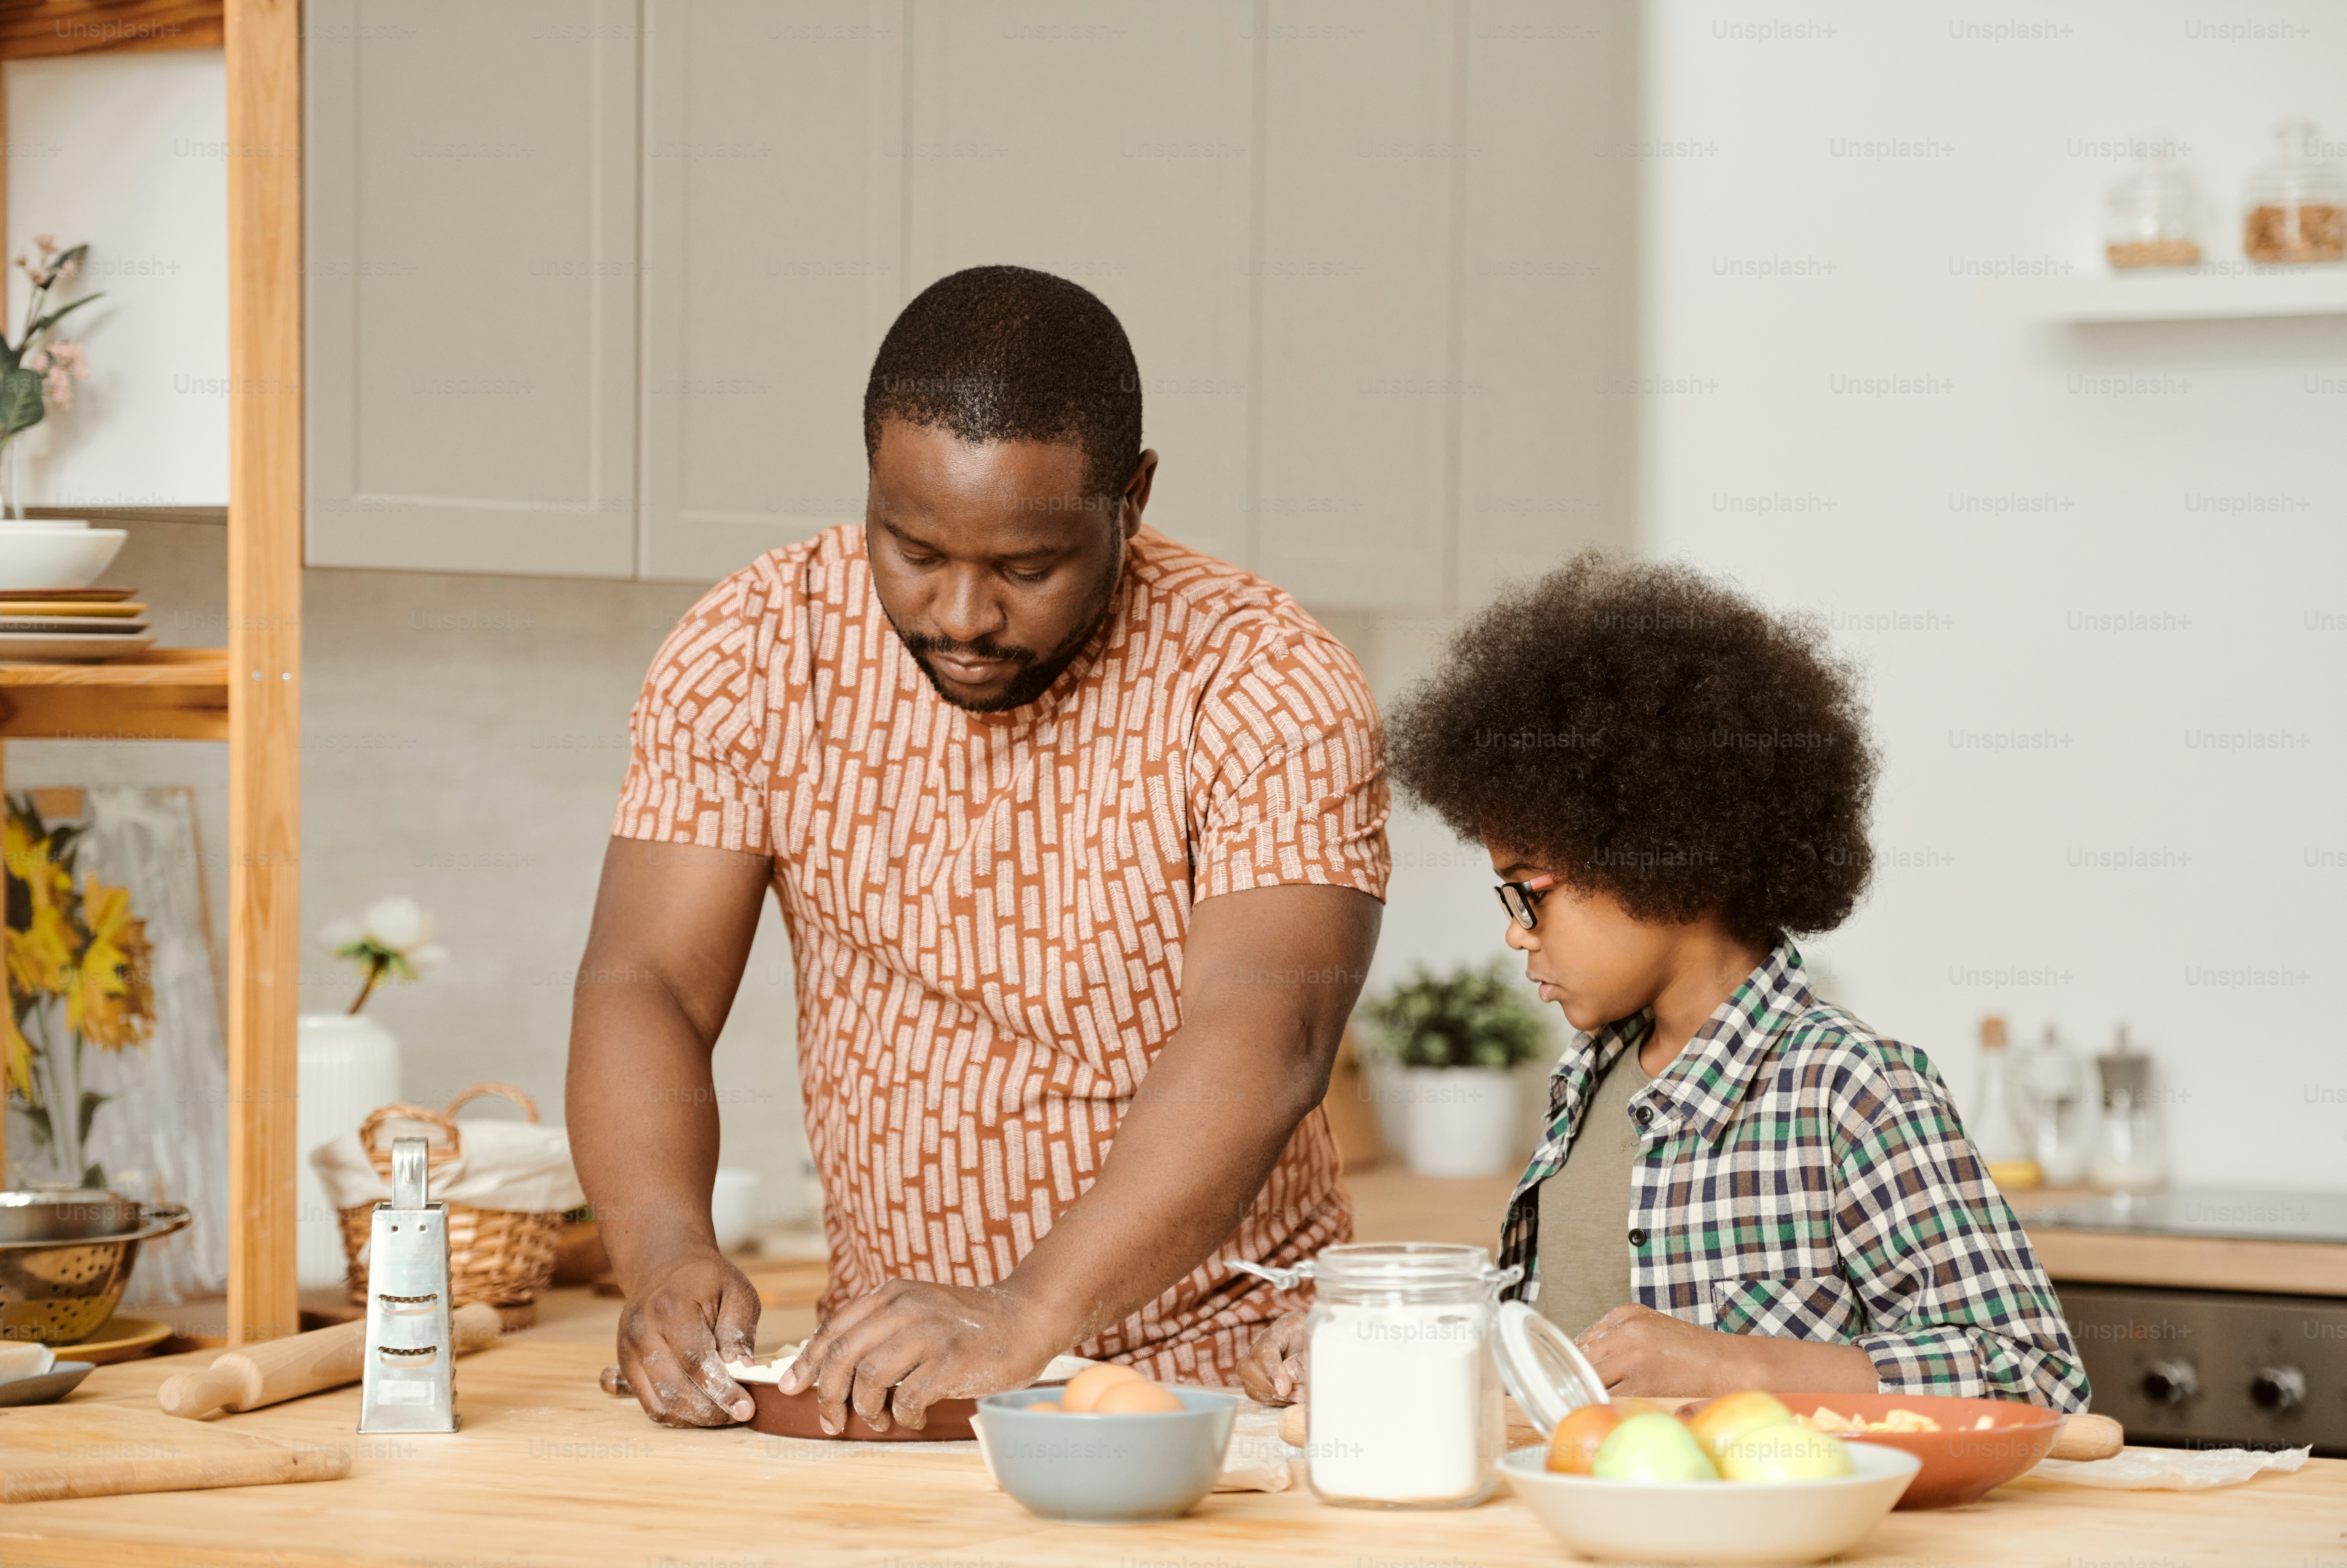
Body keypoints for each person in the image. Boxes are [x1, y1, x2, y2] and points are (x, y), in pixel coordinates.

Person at [568, 266, 1388, 1435]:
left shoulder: (1267, 682)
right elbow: (645, 979)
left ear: (1134, 496)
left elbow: (1271, 1031)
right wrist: (662, 1252)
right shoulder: (753, 647)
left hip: (1228, 1379)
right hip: (891, 1378)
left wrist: (1026, 1309)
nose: (961, 614)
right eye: (911, 547)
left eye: (1025, 567)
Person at [1243, 552, 2088, 1412]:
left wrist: (1739, 1369)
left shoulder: (1852, 1090)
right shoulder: (1590, 1080)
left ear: (1666, 857)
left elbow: (2035, 1376)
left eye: (1531, 893)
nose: (1513, 932)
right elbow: (1550, 1355)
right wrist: (1357, 1342)